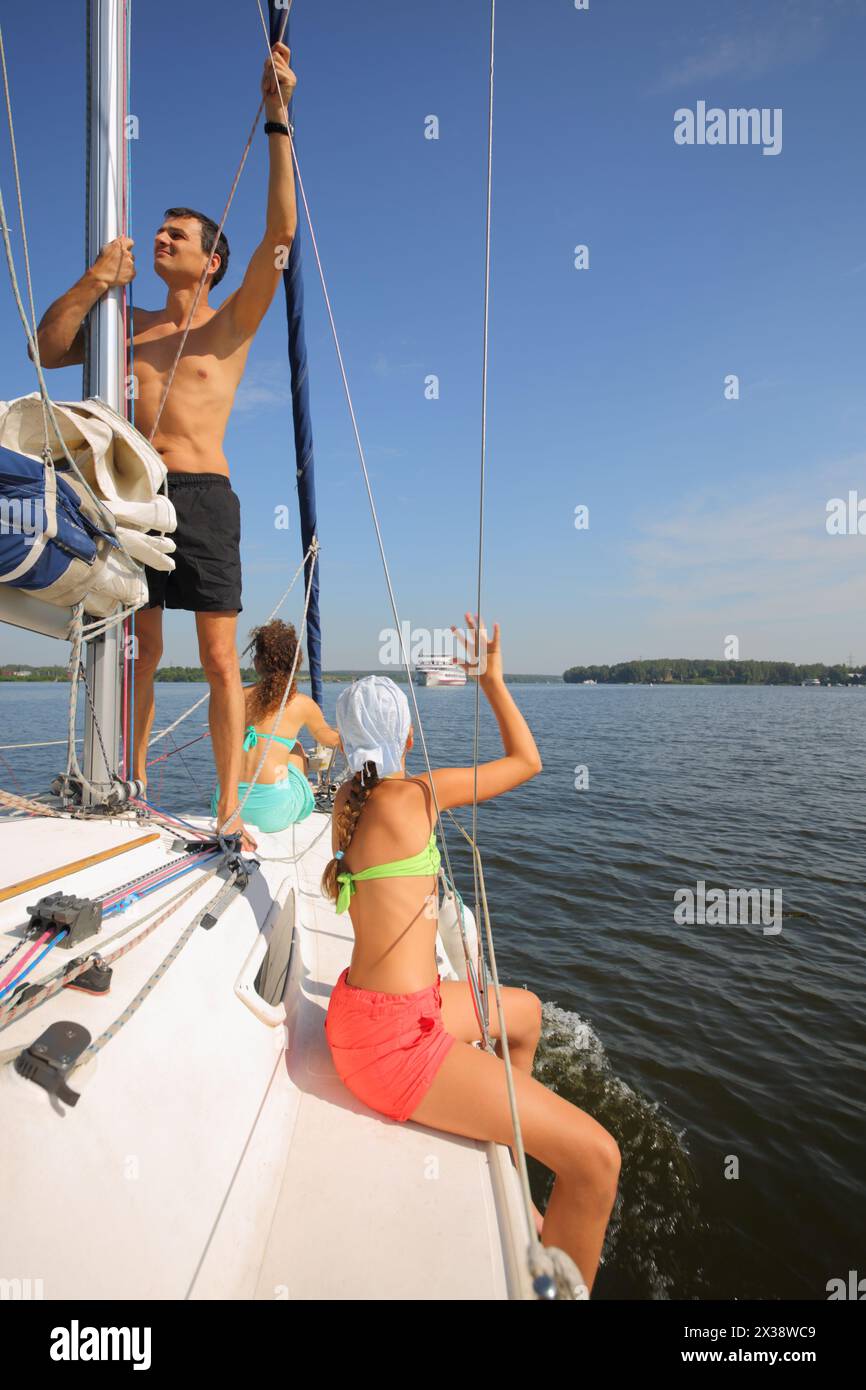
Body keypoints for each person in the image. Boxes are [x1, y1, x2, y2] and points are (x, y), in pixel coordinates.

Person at [31, 42, 299, 852]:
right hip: (134, 496)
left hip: (206, 497)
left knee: (220, 659)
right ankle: (131, 781)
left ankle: (225, 807)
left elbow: (279, 233)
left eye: (176, 234)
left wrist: (279, 117)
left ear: (210, 259)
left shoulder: (228, 323)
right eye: (157, 231)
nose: (160, 238)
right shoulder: (126, 326)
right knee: (137, 650)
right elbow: (48, 348)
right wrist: (94, 280)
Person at [321, 615, 620, 1293]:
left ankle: (515, 1155)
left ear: (344, 744)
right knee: (599, 1160)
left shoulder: (349, 799)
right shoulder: (413, 795)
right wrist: (493, 684)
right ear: (404, 735)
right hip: (394, 1045)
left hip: (375, 1013)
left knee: (524, 1012)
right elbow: (528, 763)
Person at [210, 619, 341, 834]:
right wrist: (346, 733)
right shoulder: (301, 703)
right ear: (296, 662)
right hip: (273, 810)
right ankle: (302, 793)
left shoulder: (237, 698)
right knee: (295, 747)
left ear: (257, 662)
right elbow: (328, 738)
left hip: (227, 803)